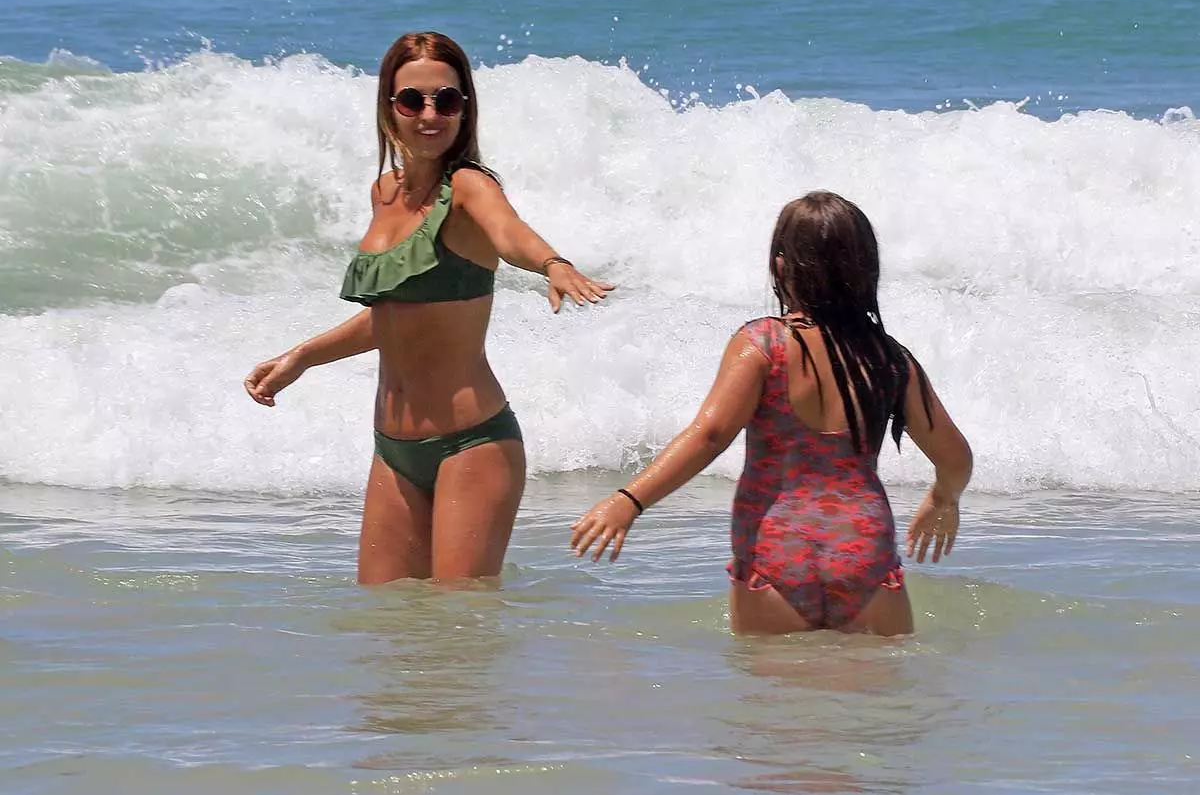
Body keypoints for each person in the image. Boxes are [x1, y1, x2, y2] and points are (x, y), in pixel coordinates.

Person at [245, 31, 613, 585]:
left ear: (466, 108)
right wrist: (303, 357)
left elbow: (510, 233)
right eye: (412, 100)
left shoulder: (468, 187)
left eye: (448, 99)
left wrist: (551, 263)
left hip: (472, 442)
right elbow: (396, 316)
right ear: (389, 109)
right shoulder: (384, 194)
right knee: (389, 624)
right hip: (392, 450)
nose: (430, 113)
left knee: (458, 629)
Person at [570, 191, 972, 636]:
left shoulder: (764, 345)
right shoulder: (891, 361)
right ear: (865, 267)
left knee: (775, 703)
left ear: (782, 265)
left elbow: (709, 436)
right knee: (872, 705)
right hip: (863, 550)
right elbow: (955, 458)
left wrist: (630, 500)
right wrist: (942, 499)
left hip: (777, 549)